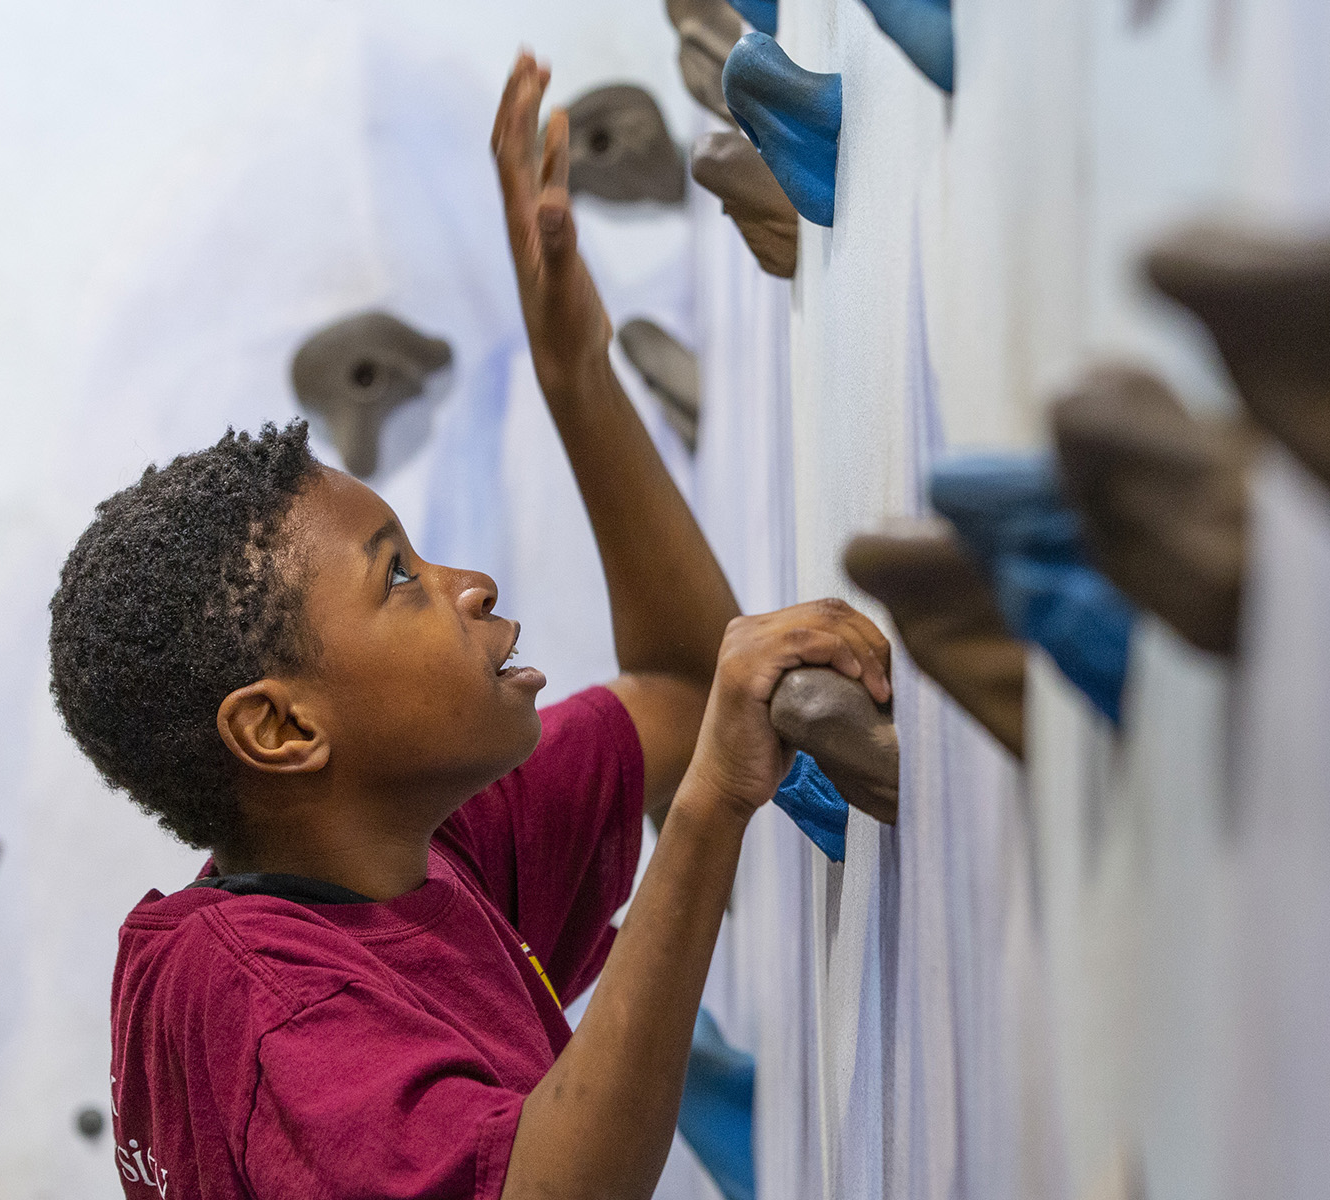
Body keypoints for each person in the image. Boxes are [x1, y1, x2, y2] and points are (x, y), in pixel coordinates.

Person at [47, 51, 891, 1200]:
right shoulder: (260, 999)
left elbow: (686, 697)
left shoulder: (419, 846)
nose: (472, 582)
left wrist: (576, 375)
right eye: (399, 575)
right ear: (284, 730)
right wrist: (708, 813)